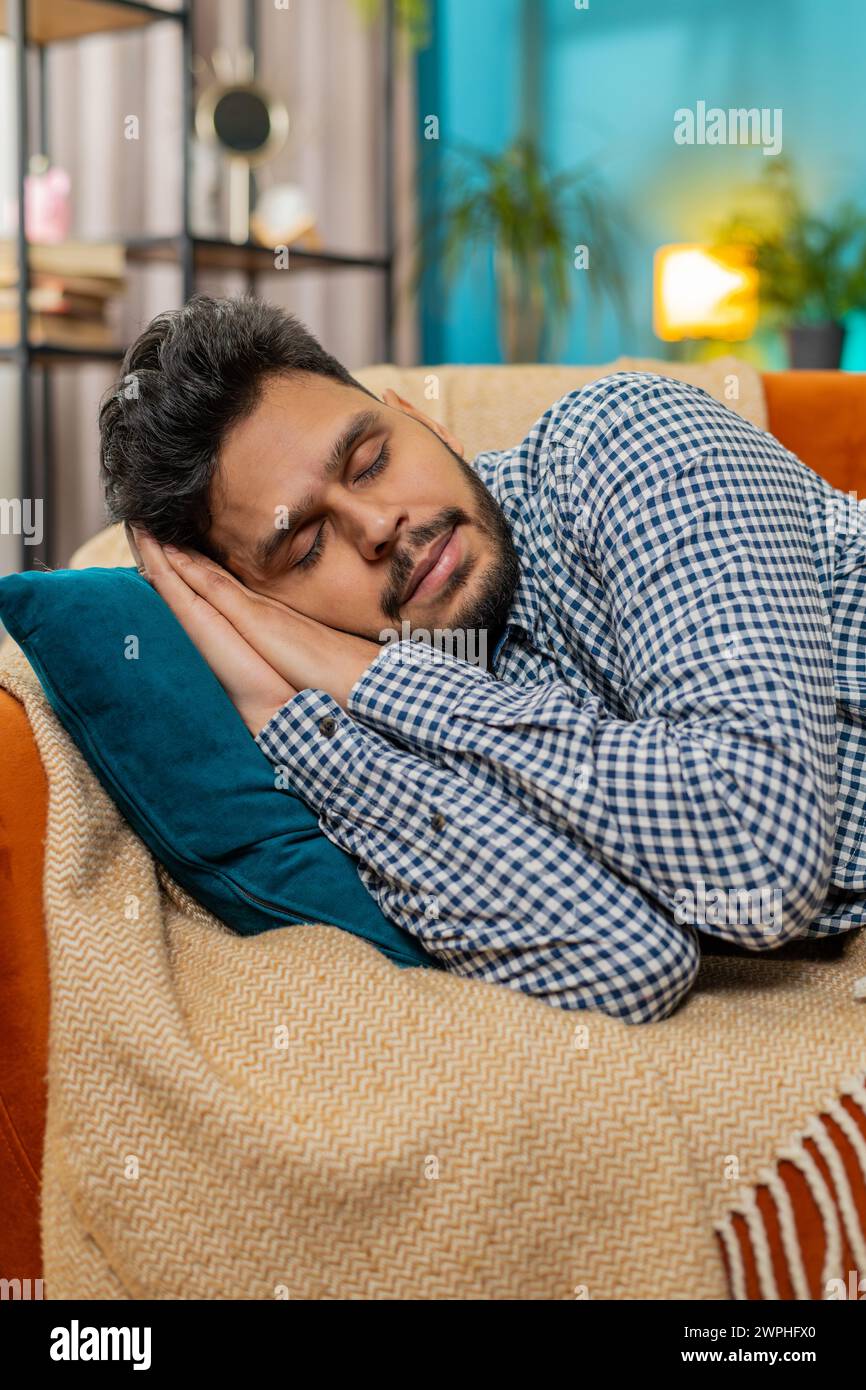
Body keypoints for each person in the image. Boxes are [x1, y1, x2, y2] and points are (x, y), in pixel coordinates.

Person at [102, 293, 864, 1024]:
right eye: (305, 546)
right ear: (263, 614)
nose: (378, 525)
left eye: (370, 462)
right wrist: (279, 712)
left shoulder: (623, 441)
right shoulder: (379, 728)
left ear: (423, 421)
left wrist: (367, 675)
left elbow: (763, 855)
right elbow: (628, 960)